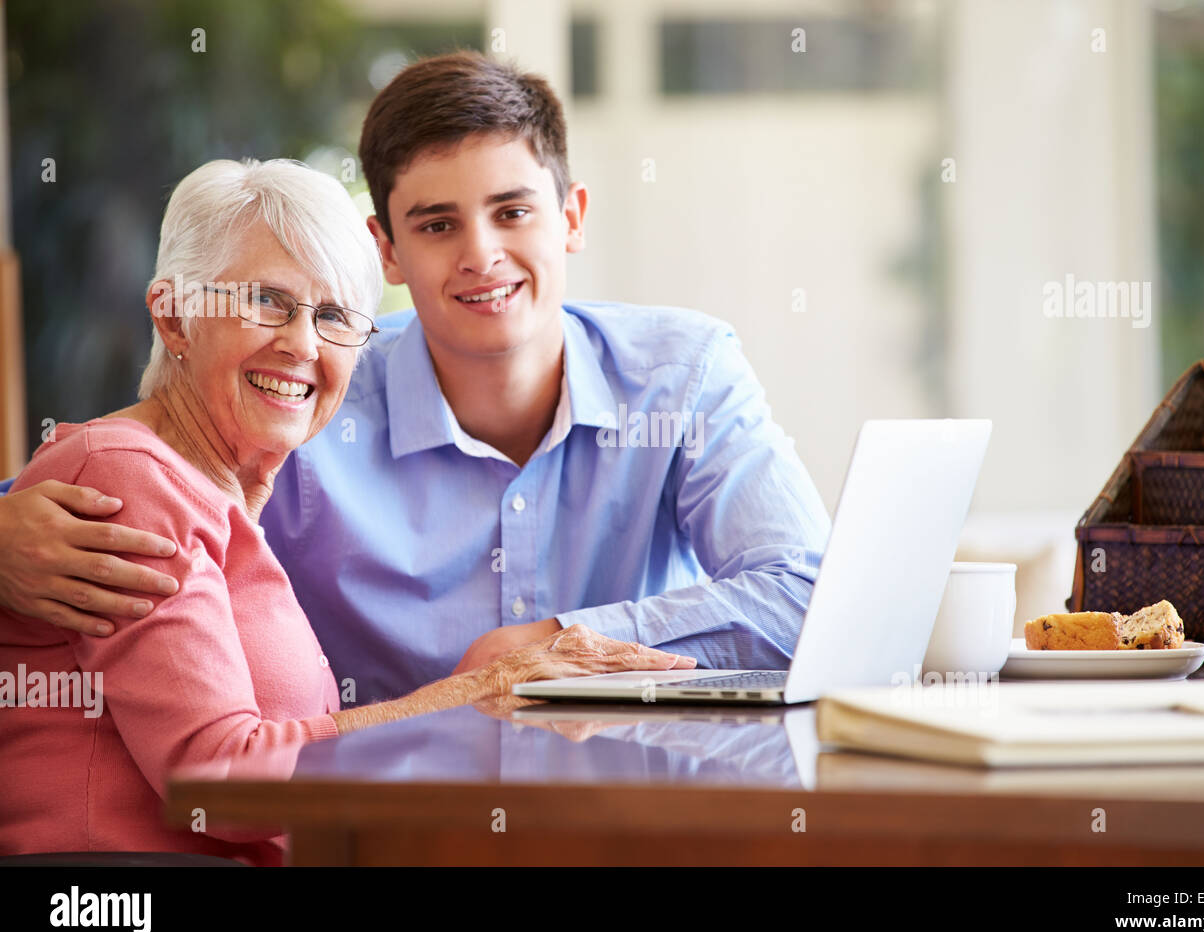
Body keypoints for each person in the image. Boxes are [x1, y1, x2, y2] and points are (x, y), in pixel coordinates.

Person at [0, 51, 830, 706]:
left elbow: (806, 597)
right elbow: (122, 480)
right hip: (387, 828)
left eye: (513, 212)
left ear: (570, 216)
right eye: (437, 224)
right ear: (387, 250)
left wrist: (559, 639)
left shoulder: (683, 376)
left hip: (633, 812)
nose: (481, 255)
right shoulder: (305, 390)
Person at [0, 158, 692, 865]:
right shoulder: (128, 477)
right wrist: (480, 692)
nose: (302, 344)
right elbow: (217, 778)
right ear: (174, 316)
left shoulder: (217, 495)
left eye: (332, 317)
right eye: (267, 300)